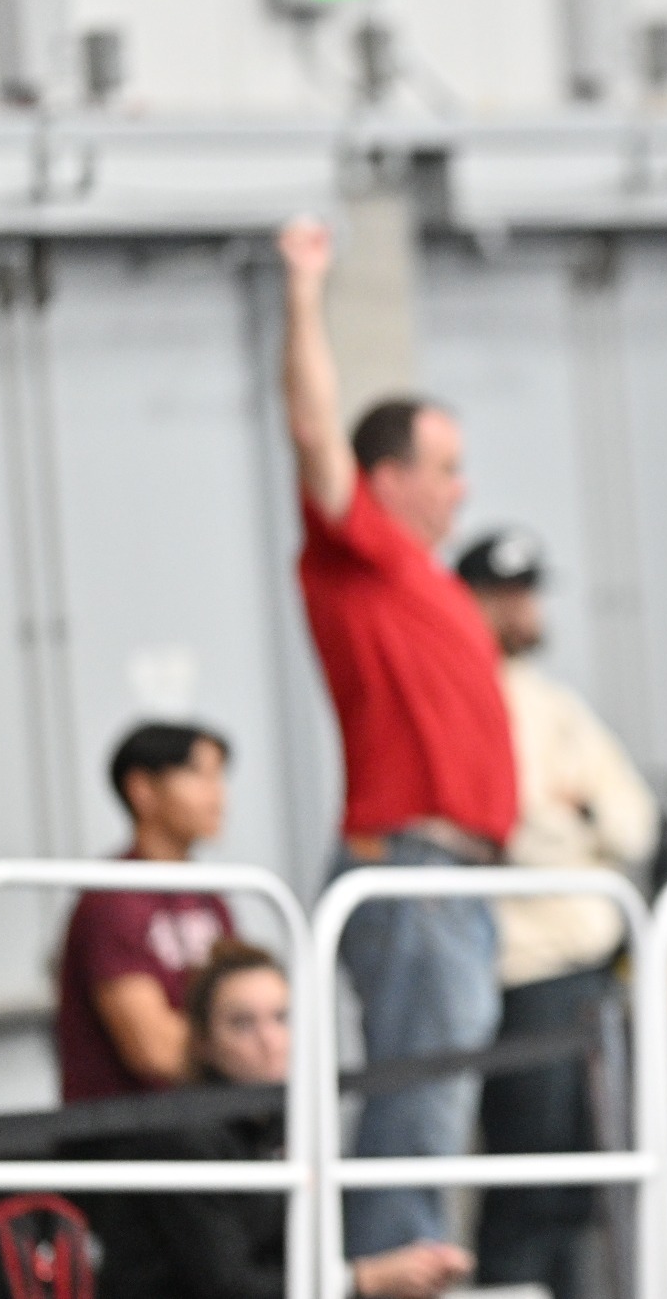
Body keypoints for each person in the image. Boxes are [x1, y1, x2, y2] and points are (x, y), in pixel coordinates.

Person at [277, 218, 518, 1257]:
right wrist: (302, 290)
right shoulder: (357, 552)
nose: (461, 487)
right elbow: (312, 427)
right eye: (445, 466)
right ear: (384, 478)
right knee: (415, 1093)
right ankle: (384, 1267)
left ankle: (399, 1257)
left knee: (437, 1094)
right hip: (409, 866)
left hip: (455, 875)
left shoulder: (429, 581)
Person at [456, 528, 661, 1299]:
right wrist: (583, 819)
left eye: (528, 590)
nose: (524, 607)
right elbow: (515, 831)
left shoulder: (552, 700)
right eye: (506, 592)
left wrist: (581, 816)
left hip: (591, 971)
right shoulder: (463, 692)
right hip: (525, 972)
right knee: (528, 1186)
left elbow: (635, 821)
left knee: (588, 1190)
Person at [84, 939, 475, 1299]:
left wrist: (412, 1267)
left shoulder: (286, 1124)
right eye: (242, 1023)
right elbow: (229, 1288)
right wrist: (363, 1280)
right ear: (202, 1042)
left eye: (281, 1018)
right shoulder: (182, 1137)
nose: (269, 1041)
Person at [56, 722, 236, 1103]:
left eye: (220, 777)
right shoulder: (112, 899)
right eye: (199, 775)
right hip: (127, 1128)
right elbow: (154, 1051)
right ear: (141, 789)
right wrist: (244, 1050)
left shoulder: (209, 896)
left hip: (202, 1112)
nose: (218, 796)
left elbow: (245, 1005)